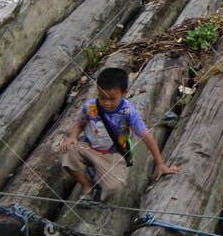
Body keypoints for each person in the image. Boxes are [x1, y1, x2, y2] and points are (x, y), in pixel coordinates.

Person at [60, 66, 177, 204]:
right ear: (98, 91)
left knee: (114, 187)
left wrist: (160, 164)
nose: (106, 103)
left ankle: (98, 178)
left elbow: (146, 135)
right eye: (102, 98)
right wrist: (73, 137)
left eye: (112, 99)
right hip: (89, 148)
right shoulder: (90, 106)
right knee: (67, 151)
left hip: (113, 155)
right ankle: (87, 187)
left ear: (124, 93)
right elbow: (80, 124)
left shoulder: (128, 112)